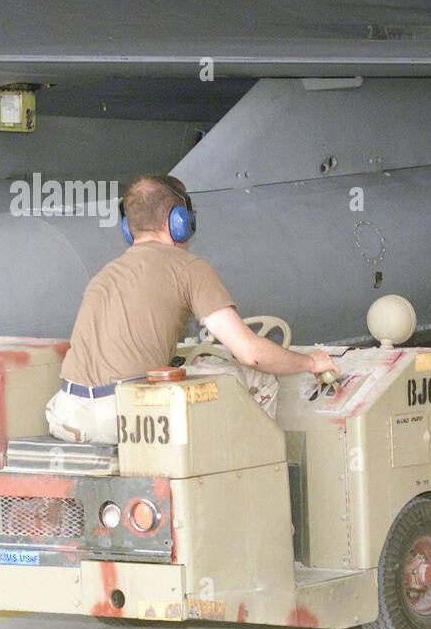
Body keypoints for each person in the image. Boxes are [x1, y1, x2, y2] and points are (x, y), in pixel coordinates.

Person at [46, 174, 334, 445]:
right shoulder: (188, 268)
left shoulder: (106, 273)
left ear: (127, 228)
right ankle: (247, 479)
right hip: (125, 417)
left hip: (68, 414)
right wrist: (310, 363)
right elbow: (252, 354)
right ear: (180, 222)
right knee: (260, 380)